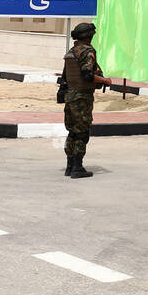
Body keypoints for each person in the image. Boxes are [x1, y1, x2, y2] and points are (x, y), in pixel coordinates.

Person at [62, 22, 110, 178]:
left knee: (72, 132)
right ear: (89, 36)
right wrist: (105, 81)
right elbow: (87, 75)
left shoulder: (71, 52)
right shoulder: (88, 51)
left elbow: (64, 78)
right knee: (82, 132)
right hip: (82, 97)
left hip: (70, 96)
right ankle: (77, 168)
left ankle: (69, 166)